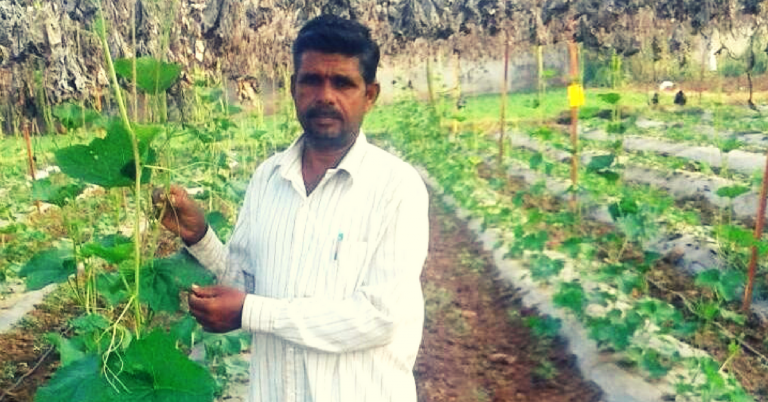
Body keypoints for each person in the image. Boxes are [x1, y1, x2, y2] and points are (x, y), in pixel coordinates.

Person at [153, 14, 429, 402]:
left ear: (370, 95)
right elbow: (244, 284)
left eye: (343, 83)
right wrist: (200, 236)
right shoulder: (268, 177)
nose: (326, 96)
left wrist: (251, 312)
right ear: (293, 88)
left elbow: (378, 318)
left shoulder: (396, 188)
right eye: (312, 80)